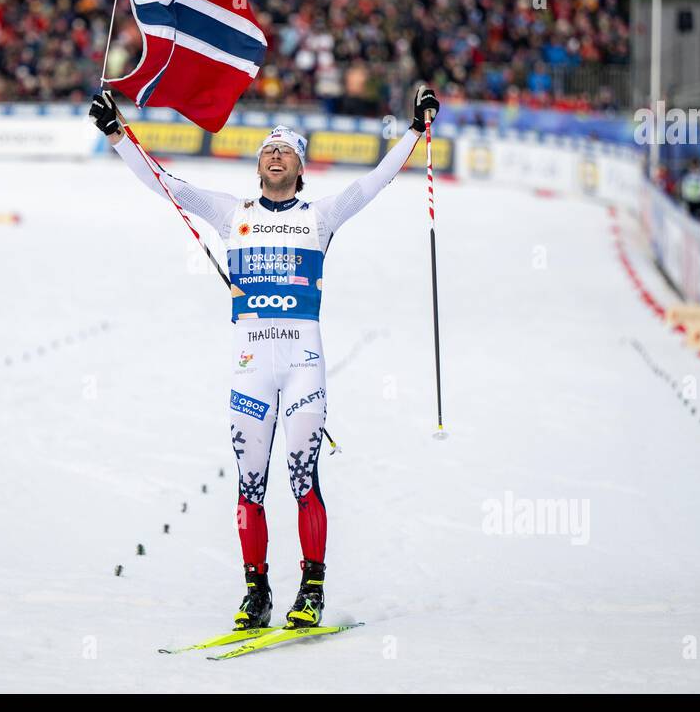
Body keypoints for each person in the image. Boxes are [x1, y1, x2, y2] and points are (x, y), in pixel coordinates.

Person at [89, 85, 439, 631]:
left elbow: (374, 181)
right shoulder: (231, 213)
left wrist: (416, 129)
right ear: (258, 166)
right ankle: (257, 592)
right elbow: (165, 184)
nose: (275, 156)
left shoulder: (322, 216)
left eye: (286, 151)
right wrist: (117, 133)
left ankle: (312, 590)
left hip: (303, 366)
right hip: (251, 370)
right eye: (268, 151)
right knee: (249, 486)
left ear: (300, 168)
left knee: (303, 480)